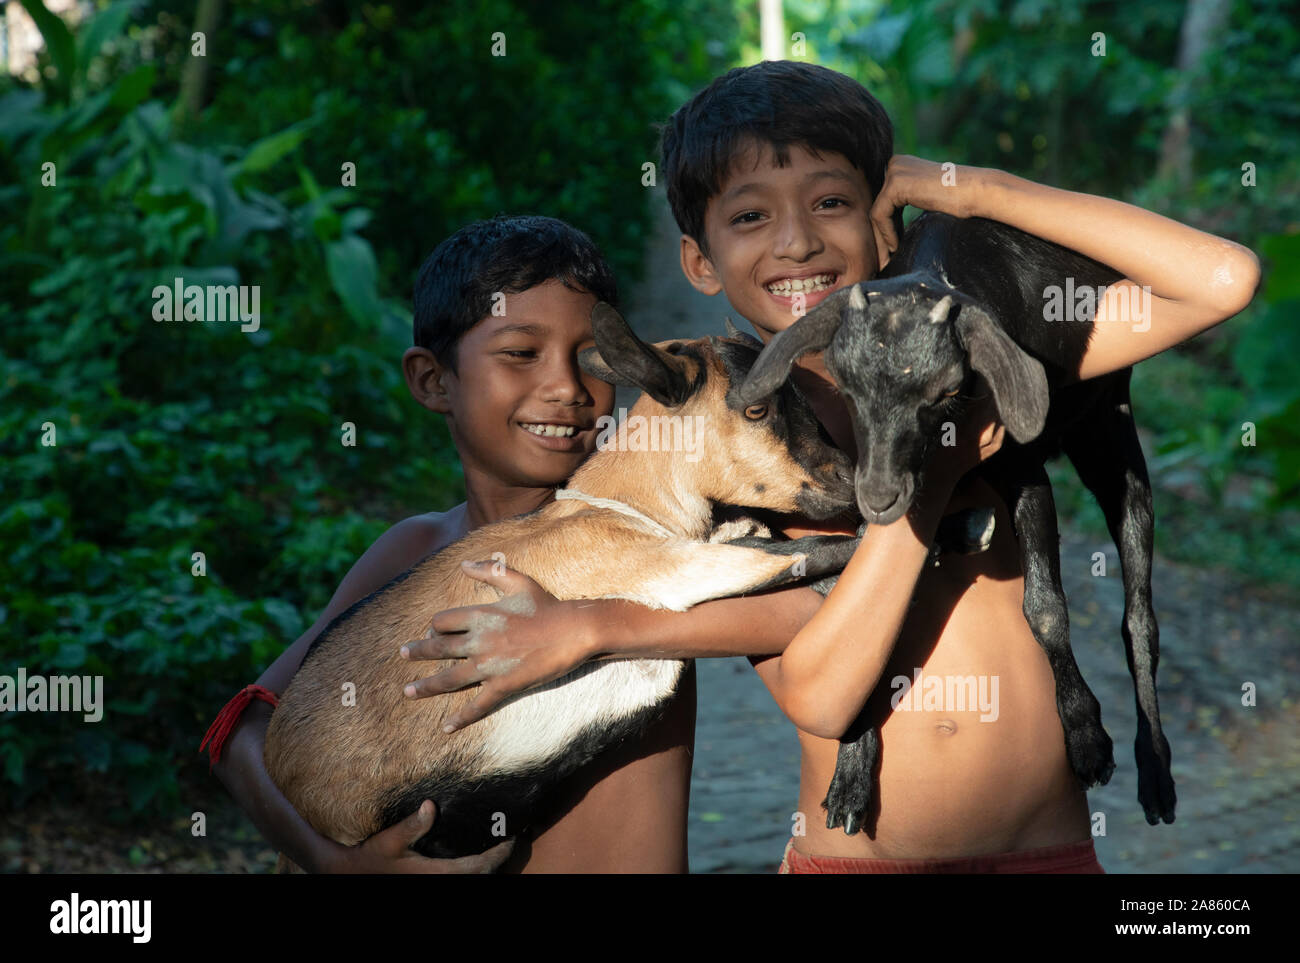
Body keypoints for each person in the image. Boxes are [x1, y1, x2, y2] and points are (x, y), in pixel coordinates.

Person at [404, 61, 1259, 873]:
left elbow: (1221, 278)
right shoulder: (731, 438)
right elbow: (821, 694)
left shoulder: (974, 354)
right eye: (749, 217)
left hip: (1053, 849)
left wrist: (967, 188)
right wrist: (930, 474)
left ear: (884, 217)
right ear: (699, 262)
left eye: (833, 200)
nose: (798, 241)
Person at [207, 214, 699, 872]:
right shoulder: (415, 550)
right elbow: (240, 729)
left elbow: (797, 604)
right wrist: (335, 863)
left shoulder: (645, 545)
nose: (567, 388)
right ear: (432, 380)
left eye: (592, 358)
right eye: (522, 353)